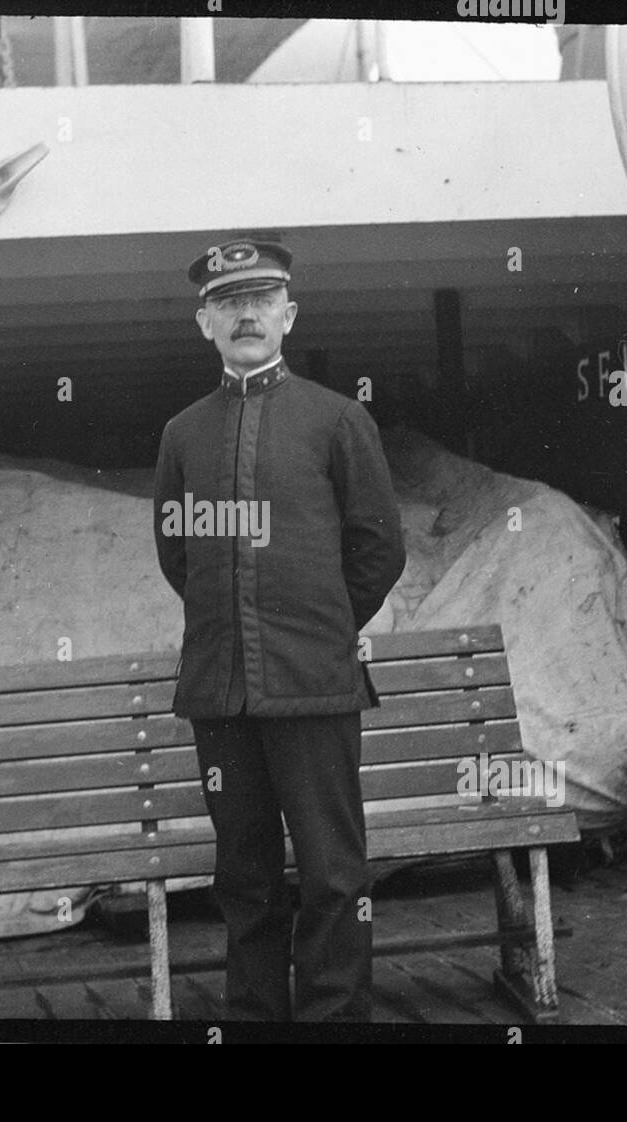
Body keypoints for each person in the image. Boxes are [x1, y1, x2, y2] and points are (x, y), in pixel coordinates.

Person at [152, 234, 407, 1023]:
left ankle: (335, 1019)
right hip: (221, 697)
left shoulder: (337, 419)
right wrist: (235, 627)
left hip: (314, 688)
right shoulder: (182, 434)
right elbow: (177, 555)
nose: (246, 315)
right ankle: (253, 1017)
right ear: (205, 324)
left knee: (334, 875)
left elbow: (379, 550)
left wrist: (317, 628)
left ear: (288, 314)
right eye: (228, 303)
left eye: (260, 300)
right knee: (245, 878)